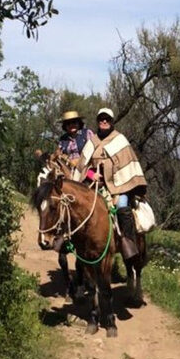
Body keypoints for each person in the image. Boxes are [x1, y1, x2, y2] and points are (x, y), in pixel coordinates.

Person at [74, 107, 147, 259]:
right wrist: (92, 174)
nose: (104, 121)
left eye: (107, 119)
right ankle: (70, 239)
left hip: (119, 186)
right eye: (101, 119)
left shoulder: (120, 140)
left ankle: (128, 243)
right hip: (95, 185)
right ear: (98, 121)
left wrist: (109, 173)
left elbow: (127, 166)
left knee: (122, 206)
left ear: (112, 122)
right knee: (76, 204)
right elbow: (83, 167)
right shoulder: (92, 142)